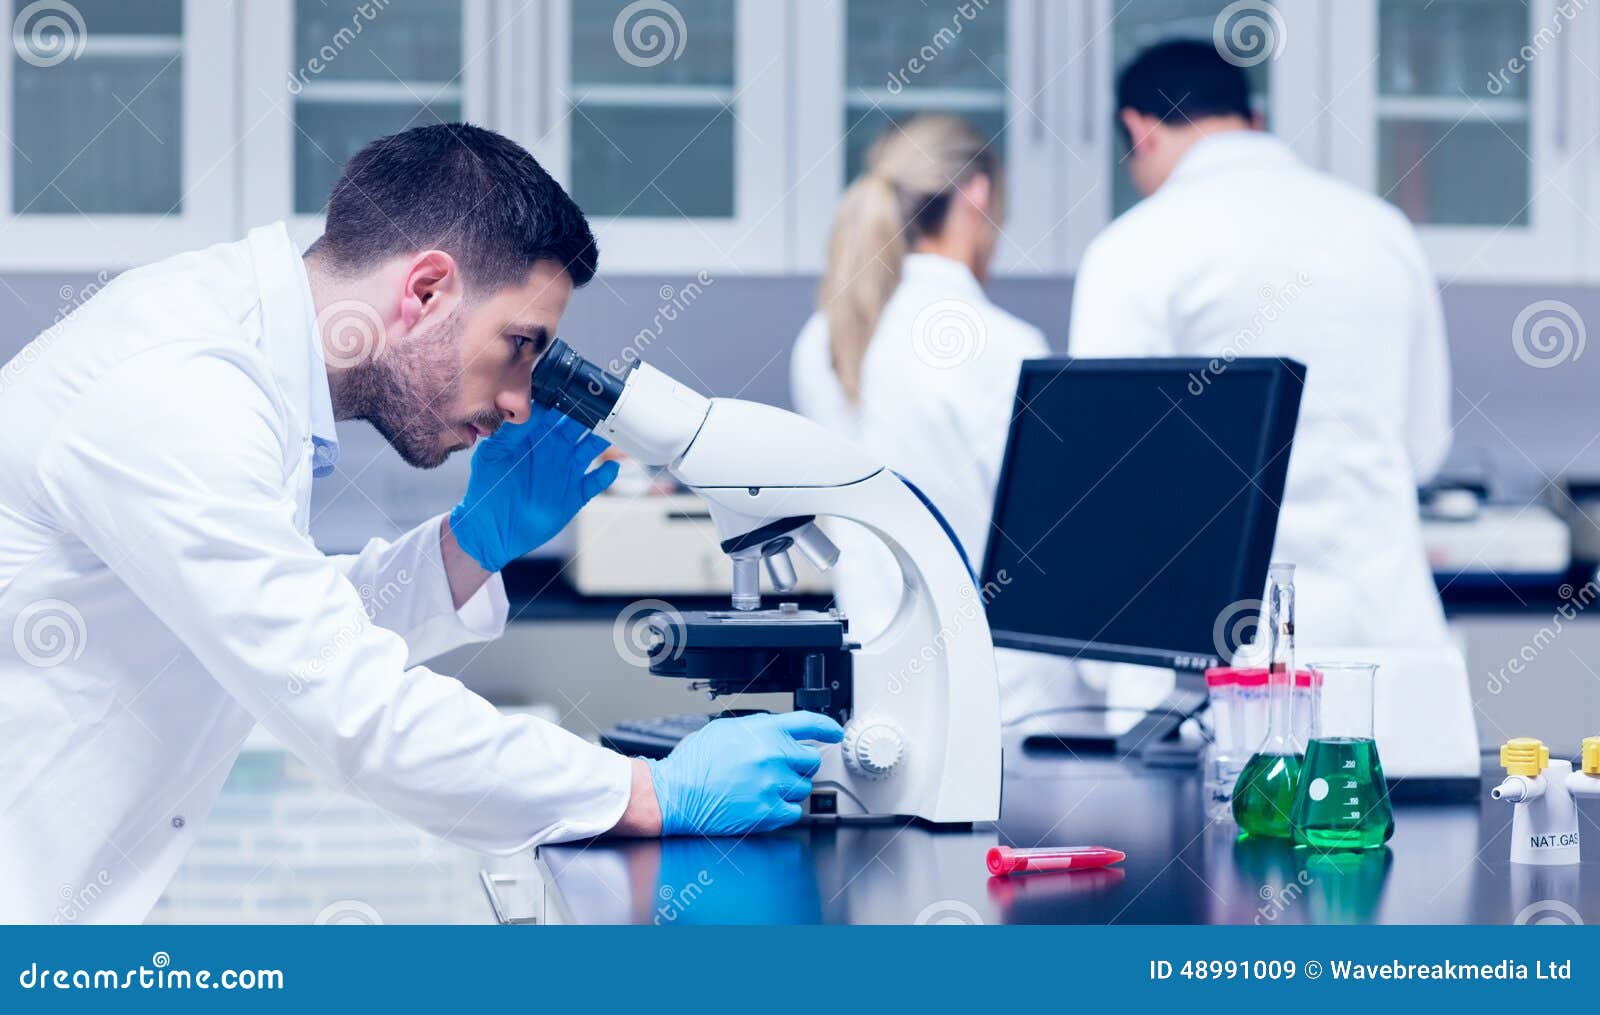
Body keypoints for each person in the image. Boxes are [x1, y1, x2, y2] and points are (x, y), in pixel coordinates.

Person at [0, 124, 840, 923]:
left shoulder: (236, 359)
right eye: (519, 344)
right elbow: (352, 706)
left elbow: (286, 627)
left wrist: (465, 549)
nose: (519, 403)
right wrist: (648, 793)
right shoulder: (182, 389)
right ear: (426, 289)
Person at [1070, 40, 1453, 659]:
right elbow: (1424, 447)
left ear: (1137, 131)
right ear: (1255, 122)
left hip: (1216, 650)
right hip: (1384, 635)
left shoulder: (1133, 248)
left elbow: (1105, 473)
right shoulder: (1382, 230)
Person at [790, 115, 1084, 725]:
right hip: (1009, 708)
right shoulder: (1007, 346)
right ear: (976, 193)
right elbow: (1058, 548)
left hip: (878, 698)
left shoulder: (824, 341)